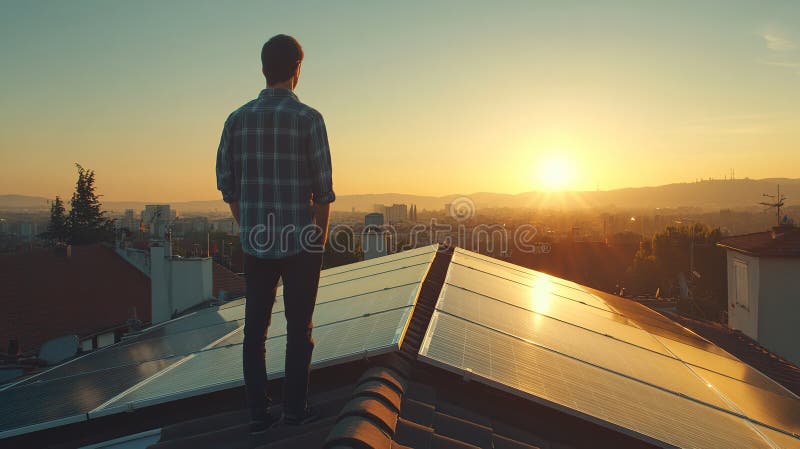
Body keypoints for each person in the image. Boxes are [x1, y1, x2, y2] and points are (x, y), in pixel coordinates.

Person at [215, 34, 335, 435]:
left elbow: (227, 187)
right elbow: (323, 192)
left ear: (263, 68)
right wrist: (315, 240)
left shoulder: (236, 120)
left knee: (254, 331)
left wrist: (249, 226)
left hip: (256, 243)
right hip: (301, 243)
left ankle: (256, 414)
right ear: (297, 69)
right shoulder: (309, 119)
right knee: (299, 330)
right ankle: (295, 412)